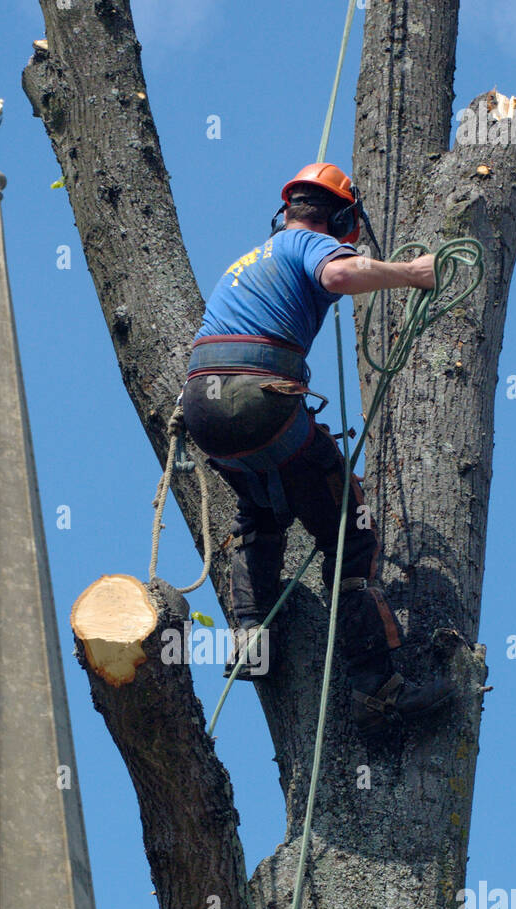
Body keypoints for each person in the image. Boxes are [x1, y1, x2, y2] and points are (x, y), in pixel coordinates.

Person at [181, 162, 454, 732]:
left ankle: (253, 641)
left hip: (205, 412)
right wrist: (413, 273)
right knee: (352, 531)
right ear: (344, 220)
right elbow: (337, 278)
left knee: (260, 511)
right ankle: (378, 691)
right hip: (255, 398)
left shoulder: (244, 261)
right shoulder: (308, 243)